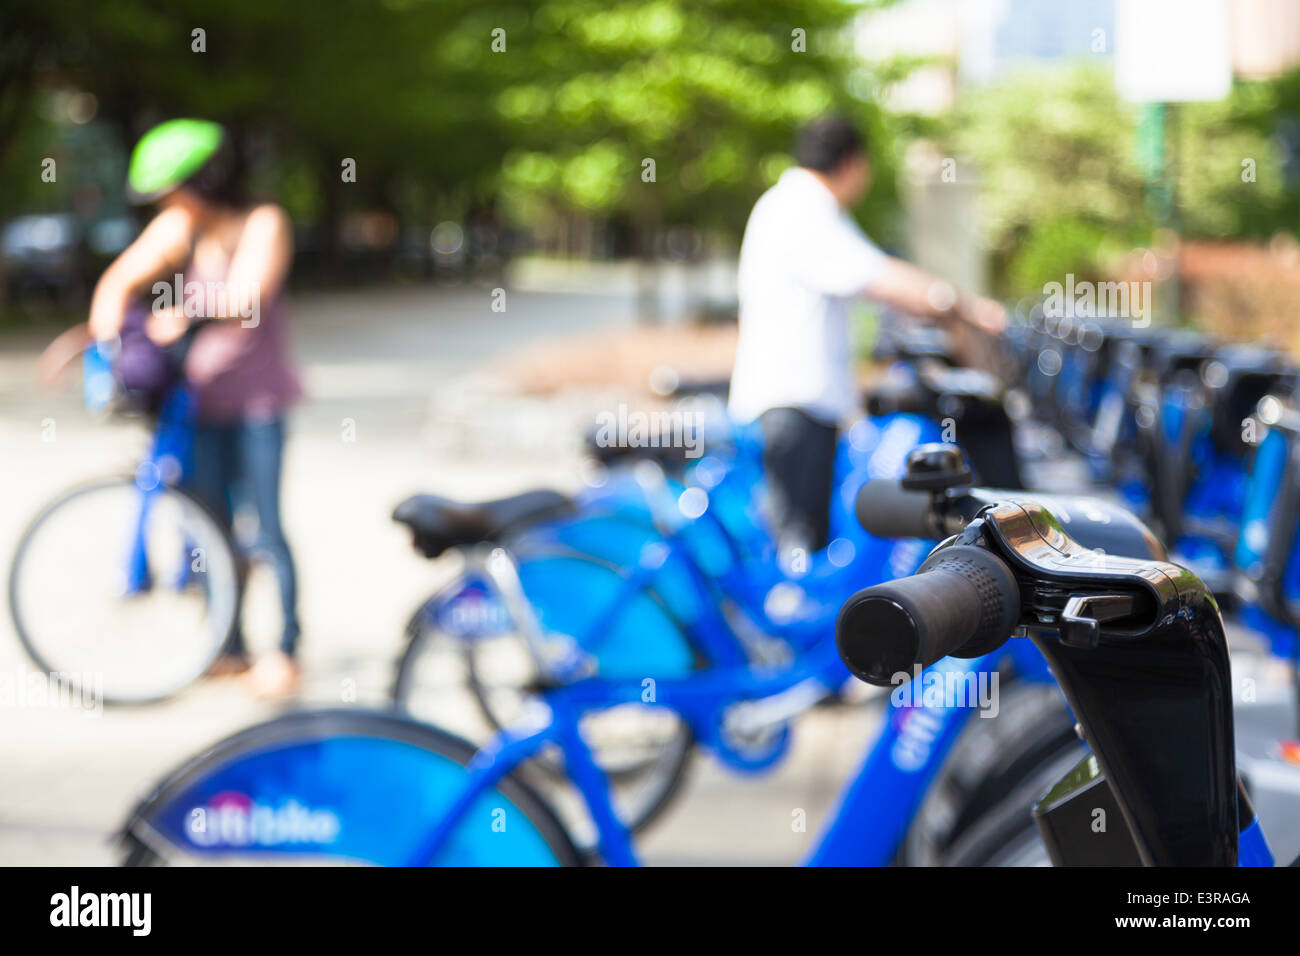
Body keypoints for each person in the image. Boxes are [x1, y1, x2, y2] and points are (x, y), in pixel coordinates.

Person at [86, 118, 303, 696]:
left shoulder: (262, 222)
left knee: (268, 527)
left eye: (174, 191)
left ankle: (284, 649)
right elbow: (119, 280)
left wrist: (181, 314)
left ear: (203, 181)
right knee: (212, 528)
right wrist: (109, 341)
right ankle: (227, 648)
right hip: (200, 404)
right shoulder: (182, 230)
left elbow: (249, 298)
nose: (168, 205)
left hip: (258, 403)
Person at [728, 115, 1006, 560]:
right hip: (795, 402)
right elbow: (880, 278)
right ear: (852, 164)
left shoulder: (798, 205)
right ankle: (789, 625)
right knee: (798, 546)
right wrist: (967, 308)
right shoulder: (804, 209)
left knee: (801, 536)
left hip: (797, 400)